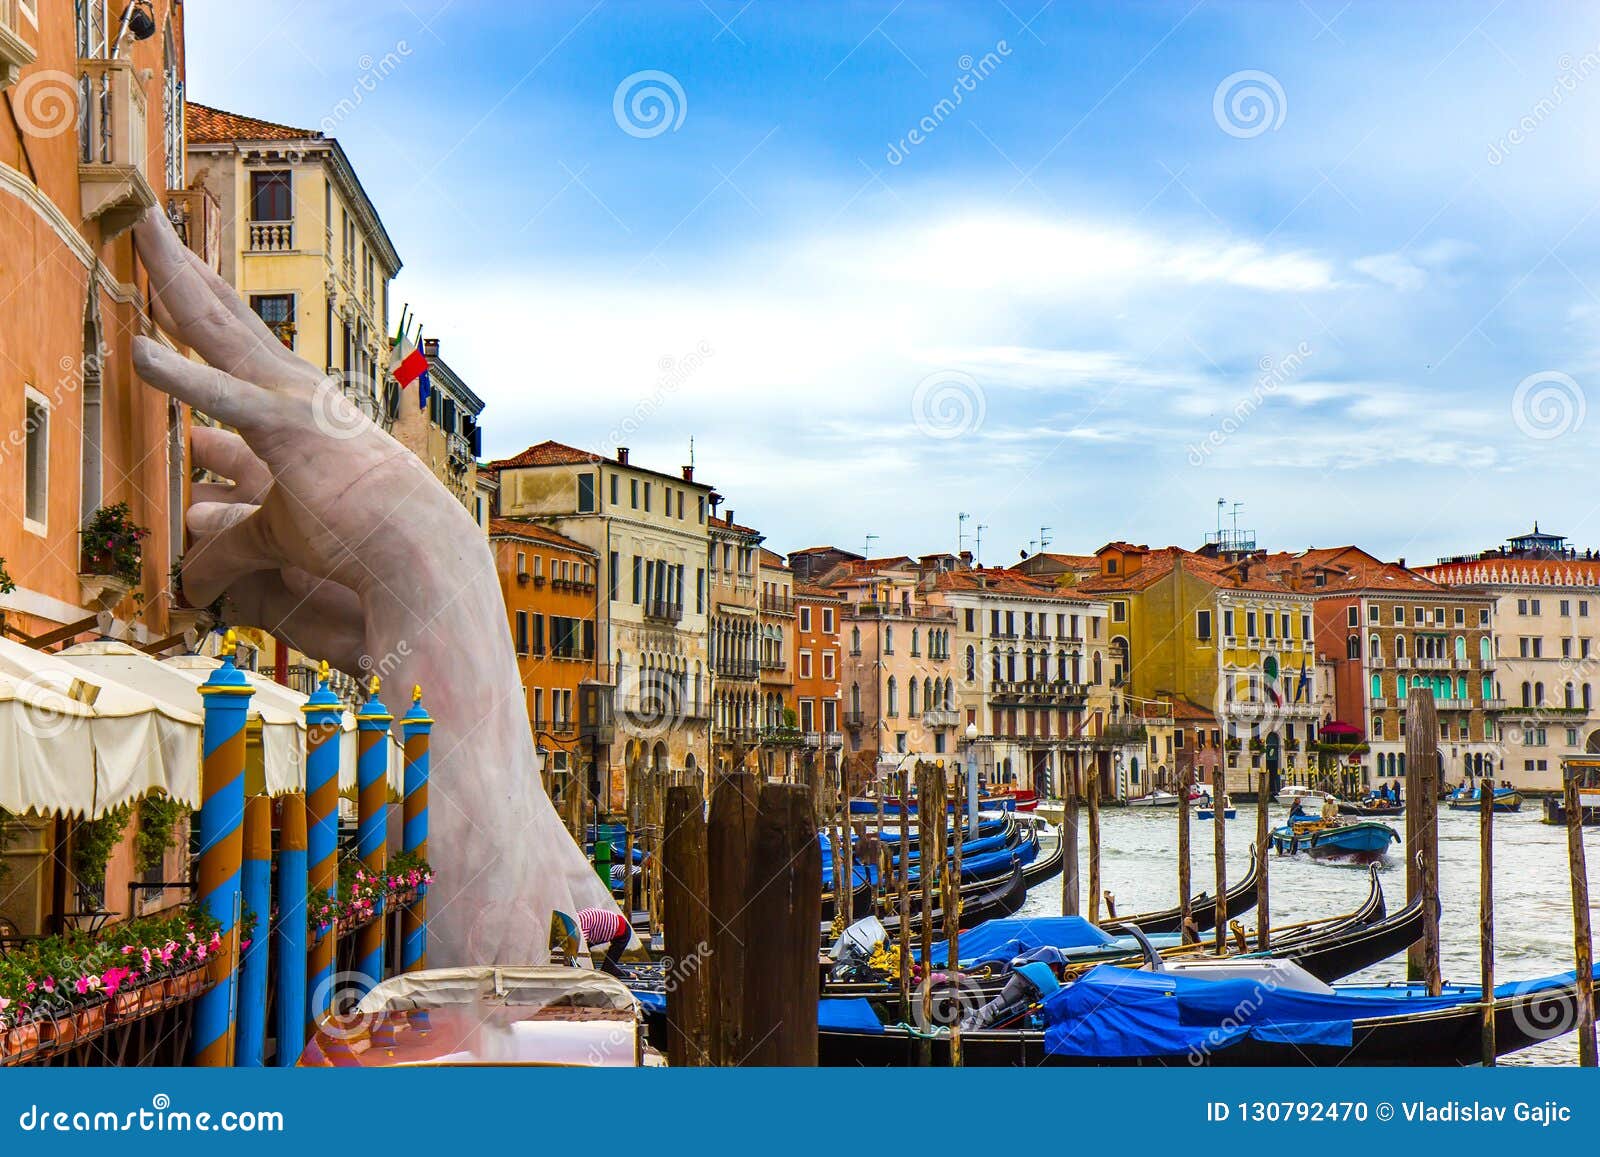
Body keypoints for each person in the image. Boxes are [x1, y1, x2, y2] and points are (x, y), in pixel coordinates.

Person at [577, 907, 633, 977]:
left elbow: (581, 949)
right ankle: (591, 968)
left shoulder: (582, 925)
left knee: (608, 969)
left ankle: (629, 974)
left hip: (622, 931)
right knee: (584, 948)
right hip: (606, 927)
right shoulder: (579, 919)